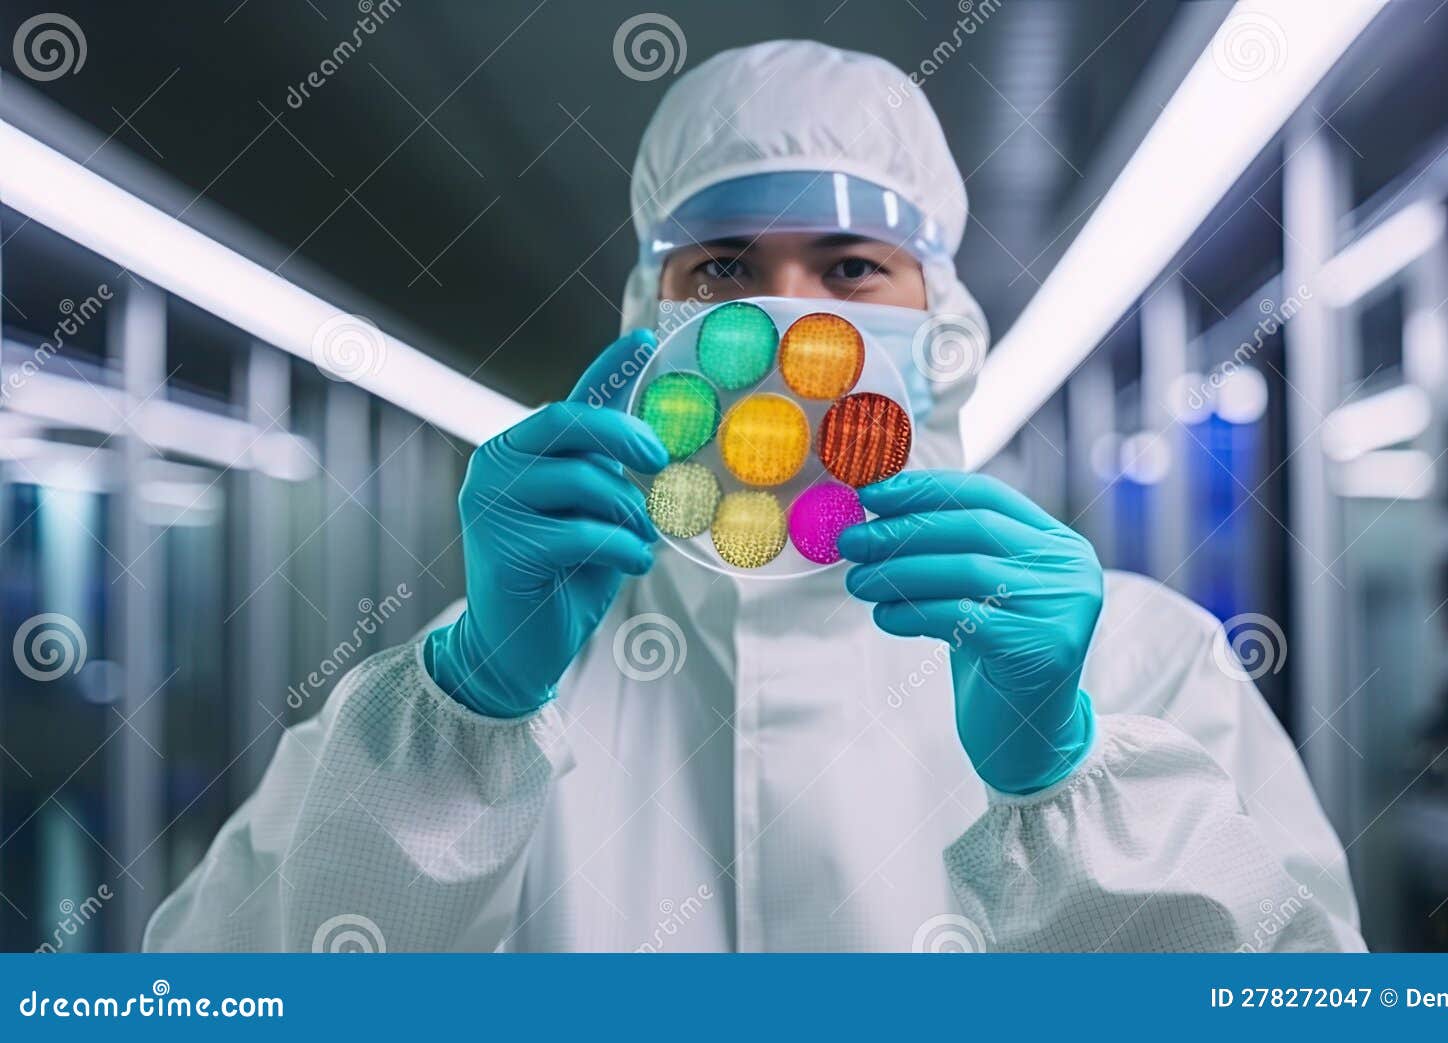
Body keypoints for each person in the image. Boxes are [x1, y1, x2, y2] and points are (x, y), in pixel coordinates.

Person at [146, 40, 1364, 953]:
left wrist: (1066, 777)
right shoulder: (489, 677)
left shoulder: (1138, 660)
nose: (788, 317)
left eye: (851, 267)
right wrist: (465, 721)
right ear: (649, 315)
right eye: (726, 266)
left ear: (942, 331)